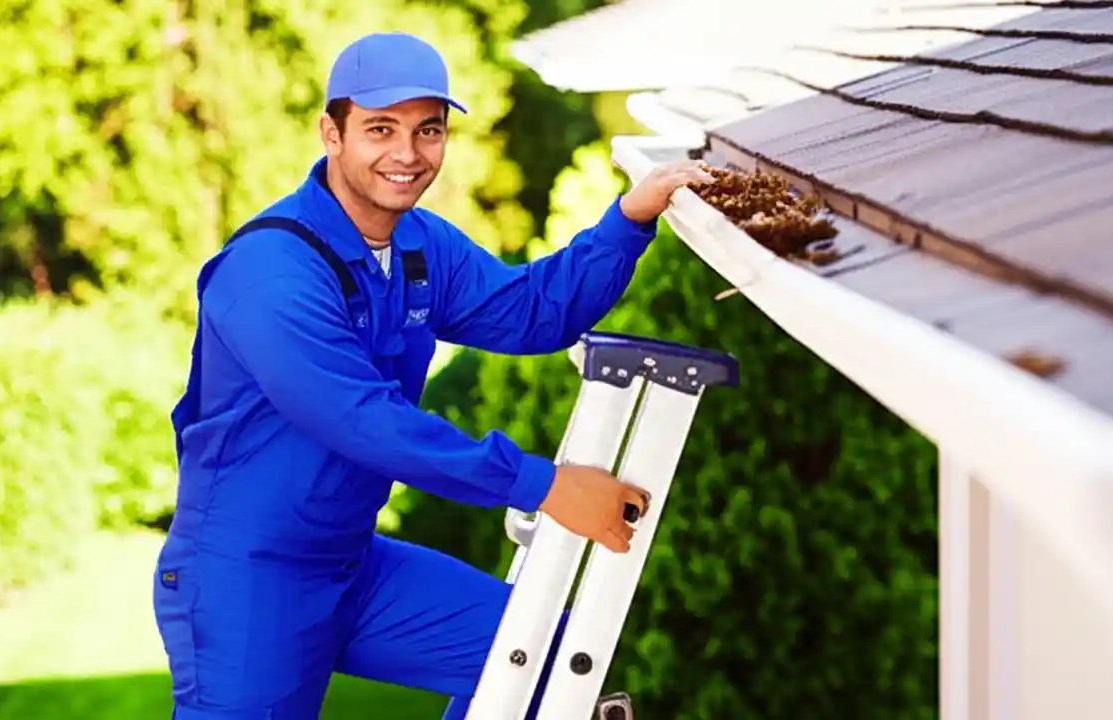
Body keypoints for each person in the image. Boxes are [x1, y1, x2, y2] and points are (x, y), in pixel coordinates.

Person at [152, 30, 714, 720]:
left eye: (429, 131)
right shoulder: (270, 273)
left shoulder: (420, 246)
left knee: (544, 656)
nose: (407, 154)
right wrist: (545, 486)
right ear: (332, 131)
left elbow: (533, 312)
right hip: (246, 579)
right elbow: (367, 423)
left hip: (352, 566)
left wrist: (629, 218)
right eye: (380, 129)